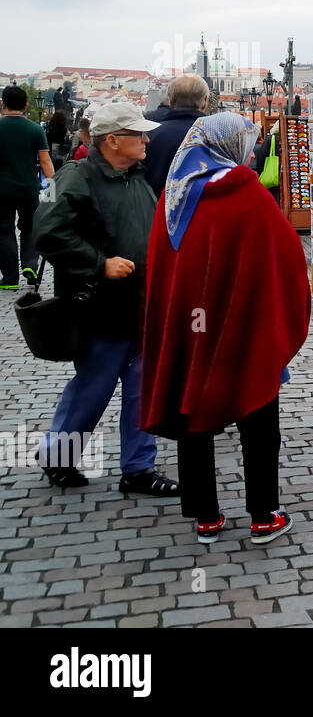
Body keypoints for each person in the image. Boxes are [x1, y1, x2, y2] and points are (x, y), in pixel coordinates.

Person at [141, 113, 309, 545]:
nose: (253, 150)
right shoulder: (247, 190)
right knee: (258, 415)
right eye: (247, 141)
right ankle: (263, 515)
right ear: (228, 144)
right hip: (245, 323)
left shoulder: (173, 195)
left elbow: (164, 267)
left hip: (192, 326)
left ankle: (206, 516)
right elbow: (287, 252)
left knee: (194, 414)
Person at [32, 102, 179, 494]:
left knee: (141, 388)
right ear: (112, 140)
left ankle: (139, 468)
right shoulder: (73, 176)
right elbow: (46, 232)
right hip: (98, 305)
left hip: (141, 304)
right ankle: (57, 456)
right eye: (138, 134)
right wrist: (99, 264)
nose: (147, 140)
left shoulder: (135, 177)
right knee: (92, 388)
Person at [1, 85, 55, 290]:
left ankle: (9, 278)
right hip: (28, 188)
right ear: (25, 105)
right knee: (30, 228)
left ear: (3, 104)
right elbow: (45, 161)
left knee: (3, 230)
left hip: (2, 191)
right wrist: (52, 191)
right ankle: (30, 265)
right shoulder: (35, 129)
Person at [141, 75, 209, 197]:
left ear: (171, 101)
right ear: (205, 101)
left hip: (160, 208)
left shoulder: (151, 134)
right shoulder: (216, 133)